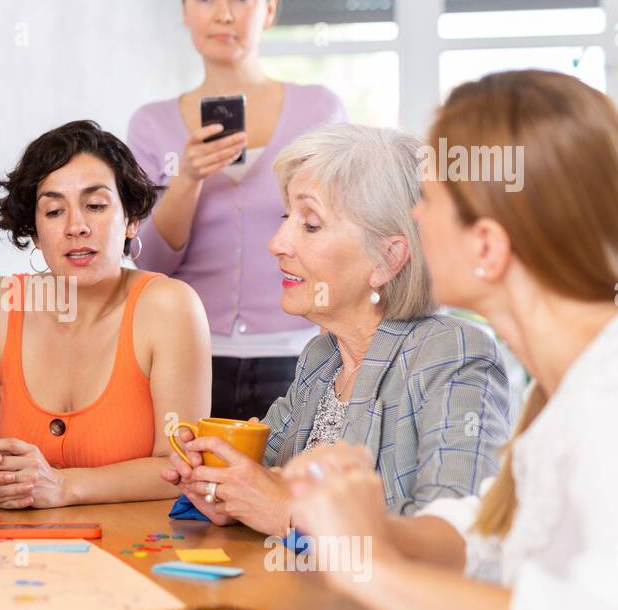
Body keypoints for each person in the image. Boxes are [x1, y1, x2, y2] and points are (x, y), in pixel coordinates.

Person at [287, 70, 618, 610]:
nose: (412, 214)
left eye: (430, 197)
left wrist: (374, 571)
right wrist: (374, 529)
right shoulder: (572, 380)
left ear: (487, 245)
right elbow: (503, 543)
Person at [164, 124, 511, 535]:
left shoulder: (454, 352)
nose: (277, 243)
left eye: (310, 225)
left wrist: (290, 515)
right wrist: (222, 484)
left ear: (386, 259)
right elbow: (265, 481)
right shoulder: (321, 357)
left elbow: (456, 536)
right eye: (286, 217)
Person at [128, 0, 347, 421]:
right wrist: (187, 178)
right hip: (186, 357)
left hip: (304, 356)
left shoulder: (320, 110)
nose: (223, 13)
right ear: (185, 11)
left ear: (269, 9)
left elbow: (343, 236)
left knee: (291, 496)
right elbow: (149, 262)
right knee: (190, 496)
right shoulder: (152, 123)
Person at [0, 121, 210, 508]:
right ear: (34, 230)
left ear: (131, 219)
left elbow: (181, 469)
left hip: (139, 555)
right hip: (21, 551)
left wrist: (63, 486)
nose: (76, 227)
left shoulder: (170, 306)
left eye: (95, 206)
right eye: (54, 211)